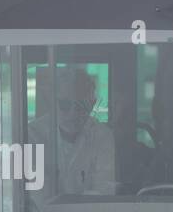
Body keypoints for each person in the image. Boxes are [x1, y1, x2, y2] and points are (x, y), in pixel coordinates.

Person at [29, 66, 116, 199]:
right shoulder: (33, 134)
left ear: (92, 104)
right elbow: (40, 198)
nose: (72, 114)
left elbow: (103, 194)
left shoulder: (102, 136)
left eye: (81, 105)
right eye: (65, 104)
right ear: (52, 103)